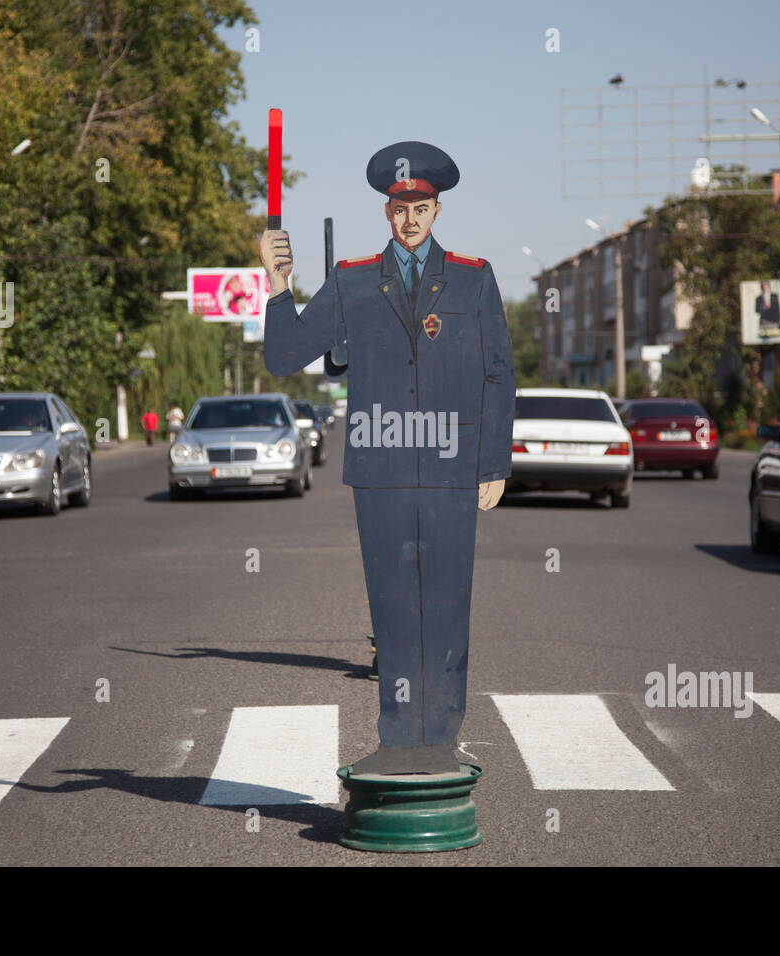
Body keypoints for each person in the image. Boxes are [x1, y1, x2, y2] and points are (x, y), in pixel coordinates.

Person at [261, 141, 514, 775]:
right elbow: (285, 354)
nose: (411, 218)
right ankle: (400, 738)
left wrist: (493, 462)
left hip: (454, 467)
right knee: (395, 609)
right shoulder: (350, 281)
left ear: (436, 209)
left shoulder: (472, 277)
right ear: (386, 210)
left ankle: (443, 737)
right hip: (381, 469)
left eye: (421, 206)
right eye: (400, 207)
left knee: (449, 606)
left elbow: (498, 373)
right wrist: (278, 284)